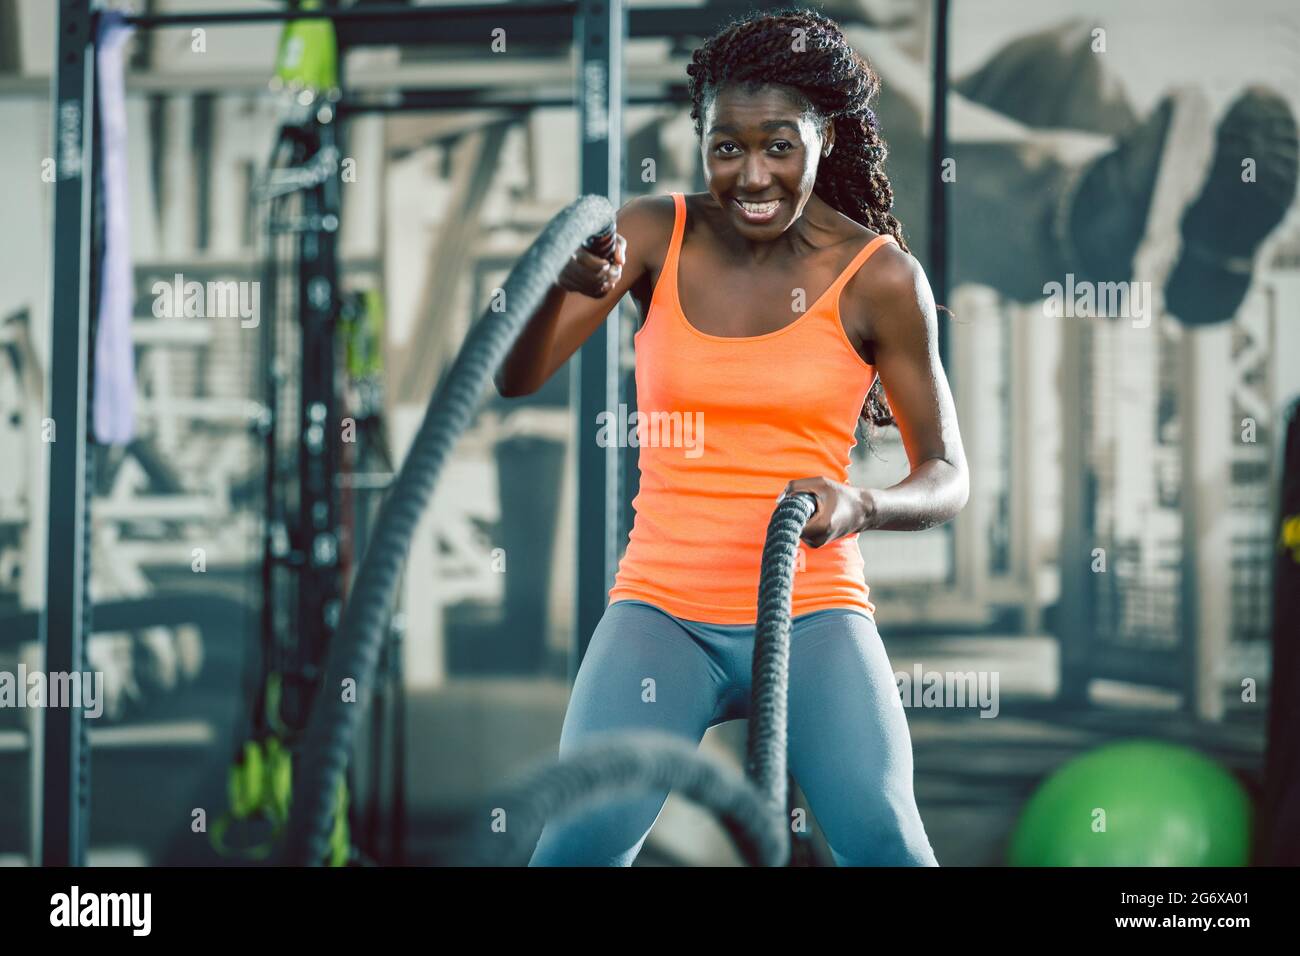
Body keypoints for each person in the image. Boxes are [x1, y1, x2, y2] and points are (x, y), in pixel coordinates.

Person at [495, 7, 967, 866]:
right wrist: (553, 286)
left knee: (886, 841)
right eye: (726, 147)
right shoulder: (652, 234)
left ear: (827, 137)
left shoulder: (881, 277)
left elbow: (947, 476)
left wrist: (861, 502)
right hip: (662, 613)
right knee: (573, 849)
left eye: (779, 146)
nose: (752, 174)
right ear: (702, 141)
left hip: (813, 610)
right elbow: (514, 378)